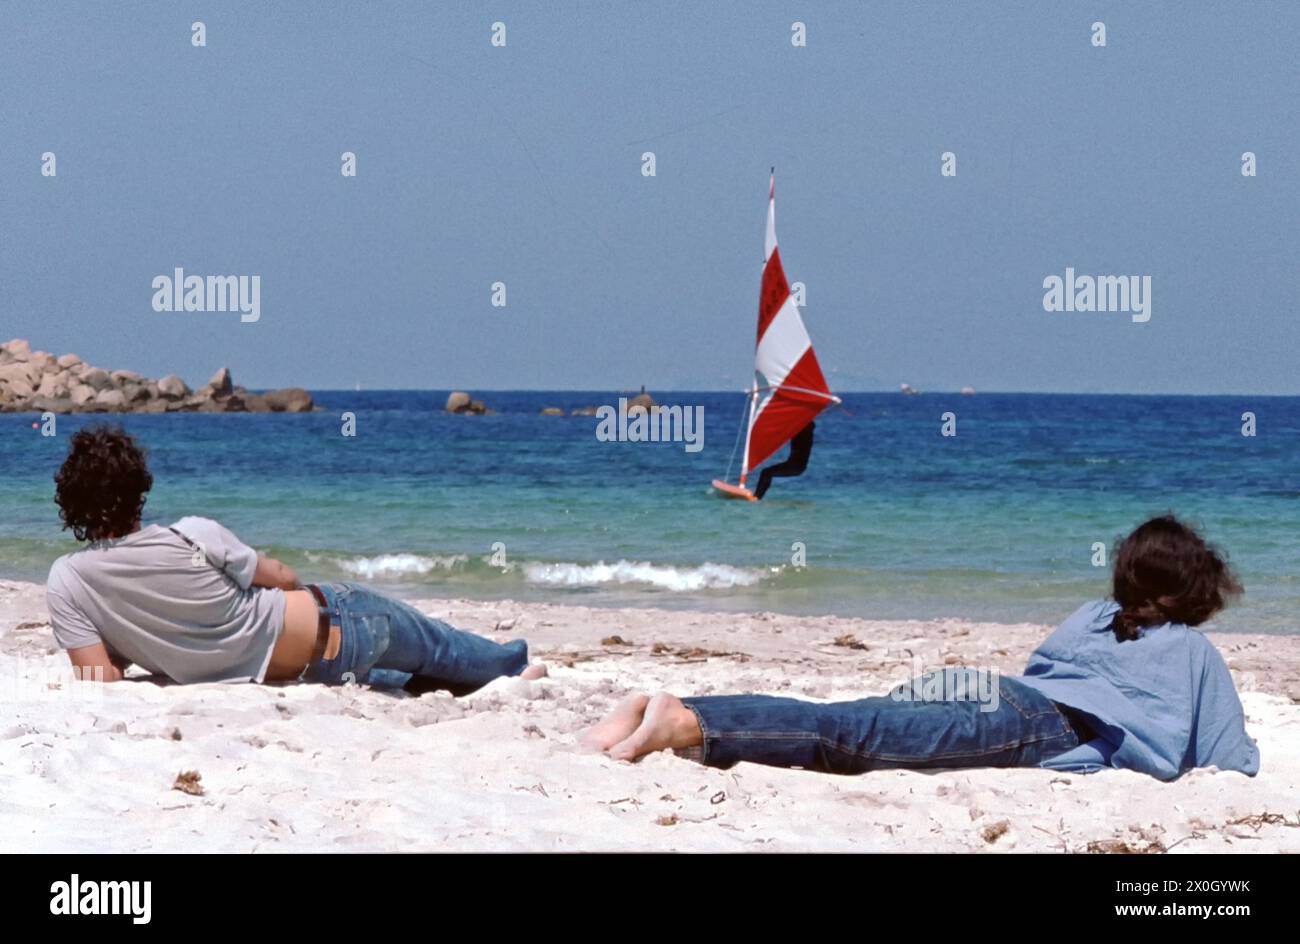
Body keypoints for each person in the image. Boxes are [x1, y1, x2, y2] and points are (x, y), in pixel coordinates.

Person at [582, 515, 1259, 781]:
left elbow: (1044, 673)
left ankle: (667, 711)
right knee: (855, 736)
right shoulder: (1192, 652)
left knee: (856, 720)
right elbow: (1231, 763)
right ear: (1193, 591)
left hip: (987, 691)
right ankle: (688, 720)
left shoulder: (1093, 615)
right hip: (1031, 719)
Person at [46, 425, 544, 690]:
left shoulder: (68, 581)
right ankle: (514, 665)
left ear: (71, 502)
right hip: (337, 624)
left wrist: (134, 636)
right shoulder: (191, 535)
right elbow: (286, 578)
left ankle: (508, 669)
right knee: (441, 651)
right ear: (139, 490)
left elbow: (100, 679)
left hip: (305, 672)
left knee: (424, 669)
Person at [753, 421, 814, 499]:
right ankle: (757, 497)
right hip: (796, 466)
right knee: (767, 473)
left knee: (766, 473)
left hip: (795, 466)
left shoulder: (803, 433)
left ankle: (756, 498)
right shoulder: (805, 433)